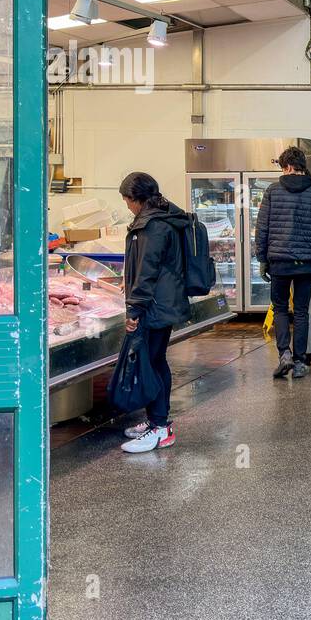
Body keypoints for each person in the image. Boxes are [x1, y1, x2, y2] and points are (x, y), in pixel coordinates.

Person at [118, 172, 190, 453]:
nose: (127, 206)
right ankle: (154, 421)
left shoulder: (153, 226)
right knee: (156, 360)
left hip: (155, 305)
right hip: (162, 302)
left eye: (127, 200)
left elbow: (146, 271)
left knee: (154, 362)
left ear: (138, 200)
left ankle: (160, 428)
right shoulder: (163, 218)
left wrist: (134, 309)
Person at [255, 146, 311, 380]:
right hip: (308, 263)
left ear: (288, 166)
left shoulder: (272, 191)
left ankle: (284, 355)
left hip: (279, 262)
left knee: (280, 309)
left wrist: (262, 259)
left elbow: (262, 229)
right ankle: (300, 361)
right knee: (301, 311)